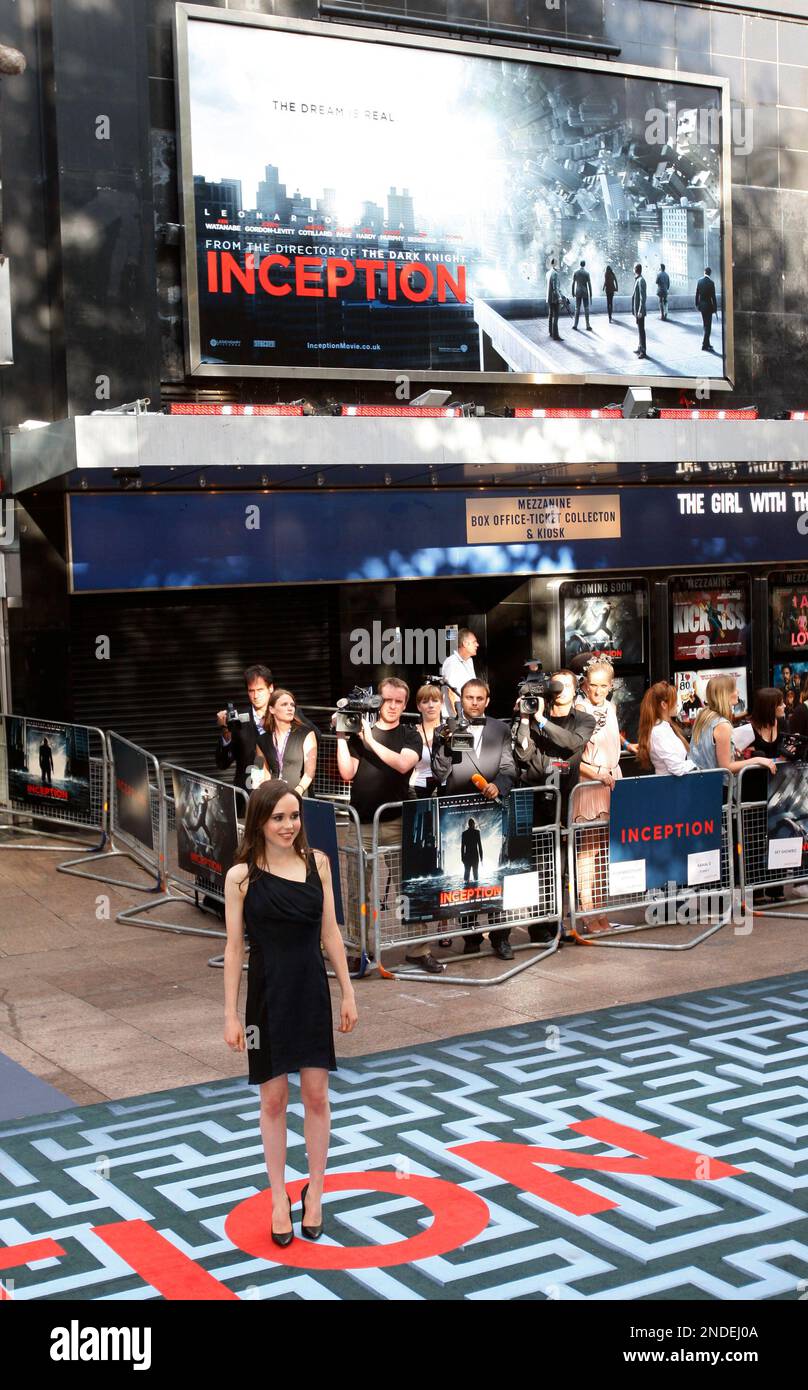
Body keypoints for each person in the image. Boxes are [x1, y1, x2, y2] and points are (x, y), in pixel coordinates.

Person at [223, 780, 358, 1246]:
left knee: (317, 1095)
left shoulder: (317, 863)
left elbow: (332, 934)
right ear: (259, 820)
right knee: (272, 1099)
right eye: (278, 817)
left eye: (294, 816)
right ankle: (279, 1197)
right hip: (263, 997)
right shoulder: (240, 876)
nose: (288, 825)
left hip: (309, 991)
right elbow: (234, 948)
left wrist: (347, 992)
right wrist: (230, 1015)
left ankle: (315, 1191)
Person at [335, 677, 421, 967]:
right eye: (388, 700)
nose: (393, 706)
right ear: (378, 701)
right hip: (361, 823)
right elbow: (347, 772)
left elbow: (403, 764)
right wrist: (341, 737)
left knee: (407, 887)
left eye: (399, 701)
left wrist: (370, 741)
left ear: (405, 704)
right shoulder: (361, 733)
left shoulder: (410, 734)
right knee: (358, 890)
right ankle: (358, 950)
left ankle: (418, 950)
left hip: (396, 821)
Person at [431, 678, 516, 959]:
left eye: (480, 698)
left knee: (496, 873)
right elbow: (440, 774)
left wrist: (499, 786)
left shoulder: (501, 729)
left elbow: (508, 768)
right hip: (458, 807)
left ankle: (501, 937)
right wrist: (445, 745)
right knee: (463, 874)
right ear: (461, 700)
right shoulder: (445, 729)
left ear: (487, 700)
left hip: (492, 807)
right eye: (470, 698)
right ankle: (470, 936)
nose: (475, 703)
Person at [513, 669, 596, 943]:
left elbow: (573, 744)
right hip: (536, 798)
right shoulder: (534, 713)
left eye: (565, 686)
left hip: (565, 800)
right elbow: (523, 753)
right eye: (555, 687)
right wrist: (525, 719)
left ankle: (557, 924)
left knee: (562, 868)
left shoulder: (584, 719)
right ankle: (540, 928)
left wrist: (541, 720)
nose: (559, 691)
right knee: (539, 866)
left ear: (575, 690)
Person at [573, 659, 622, 934]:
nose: (599, 691)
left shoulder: (612, 707)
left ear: (611, 685)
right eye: (593, 685)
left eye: (604, 685)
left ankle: (603, 911)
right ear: (584, 684)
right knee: (588, 851)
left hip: (612, 779)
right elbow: (574, 758)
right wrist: (597, 774)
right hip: (591, 783)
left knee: (606, 850)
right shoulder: (580, 709)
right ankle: (588, 913)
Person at [408, 683, 451, 969]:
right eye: (425, 702)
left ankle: (445, 925)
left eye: (434, 700)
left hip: (445, 792)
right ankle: (425, 927)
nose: (430, 705)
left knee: (447, 858)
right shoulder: (412, 732)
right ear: (419, 706)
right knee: (426, 862)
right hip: (419, 792)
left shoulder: (449, 727)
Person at [689, 674, 776, 776]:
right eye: (734, 689)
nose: (738, 692)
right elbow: (726, 767)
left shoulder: (704, 717)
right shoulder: (722, 725)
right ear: (725, 694)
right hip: (719, 787)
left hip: (702, 784)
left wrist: (732, 752)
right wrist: (758, 760)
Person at [216, 664, 275, 793]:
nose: (255, 696)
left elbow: (314, 734)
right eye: (251, 691)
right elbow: (222, 763)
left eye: (260, 690)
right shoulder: (238, 720)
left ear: (270, 688)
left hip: (279, 791)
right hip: (247, 794)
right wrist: (225, 730)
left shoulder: (283, 714)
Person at [262, 689, 317, 798]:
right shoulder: (262, 740)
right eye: (284, 704)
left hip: (300, 795)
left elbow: (310, 771)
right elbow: (261, 771)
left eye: (292, 704)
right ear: (272, 709)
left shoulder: (306, 733)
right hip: (274, 797)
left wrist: (298, 790)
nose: (290, 708)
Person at [637, 682, 698, 775]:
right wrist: (694, 765)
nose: (678, 704)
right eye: (675, 700)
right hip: (669, 786)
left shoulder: (664, 727)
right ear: (664, 705)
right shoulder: (658, 732)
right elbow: (677, 768)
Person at [440, 628, 479, 718]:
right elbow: (451, 691)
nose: (477, 645)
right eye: (474, 642)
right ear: (465, 644)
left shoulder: (469, 661)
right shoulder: (452, 662)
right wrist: (458, 717)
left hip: (468, 714)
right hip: (455, 717)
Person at [695, 267, 718, 352]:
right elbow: (713, 297)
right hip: (708, 307)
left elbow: (697, 294)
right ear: (710, 273)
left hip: (702, 306)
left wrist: (697, 304)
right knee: (708, 326)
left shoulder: (699, 281)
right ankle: (704, 345)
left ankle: (707, 343)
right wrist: (715, 308)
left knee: (705, 325)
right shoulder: (711, 283)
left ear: (704, 272)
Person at [571, 259, 593, 331]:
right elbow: (589, 284)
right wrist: (591, 294)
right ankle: (588, 325)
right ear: (584, 264)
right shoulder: (587, 273)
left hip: (578, 291)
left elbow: (573, 283)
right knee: (586, 308)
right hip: (585, 292)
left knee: (577, 308)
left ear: (580, 264)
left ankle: (575, 325)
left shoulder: (576, 272)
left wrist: (572, 292)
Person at [631, 263, 647, 359]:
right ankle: (640, 347)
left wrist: (640, 311)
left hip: (640, 312)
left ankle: (643, 351)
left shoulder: (641, 280)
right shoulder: (638, 280)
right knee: (640, 330)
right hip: (638, 311)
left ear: (635, 269)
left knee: (641, 330)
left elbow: (643, 297)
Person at [461, 817, 483, 883]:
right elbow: (479, 845)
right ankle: (475, 890)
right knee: (475, 874)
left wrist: (462, 857)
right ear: (473, 824)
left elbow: (462, 847)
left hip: (467, 856)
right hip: (475, 856)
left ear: (468, 824)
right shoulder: (477, 832)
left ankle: (466, 889)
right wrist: (481, 857)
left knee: (466, 874)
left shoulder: (464, 833)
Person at [546, 256, 562, 341]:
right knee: (556, 316)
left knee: (550, 315)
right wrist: (559, 297)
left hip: (548, 297)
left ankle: (550, 332)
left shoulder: (548, 273)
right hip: (554, 298)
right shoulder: (555, 273)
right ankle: (556, 335)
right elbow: (555, 288)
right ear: (556, 264)